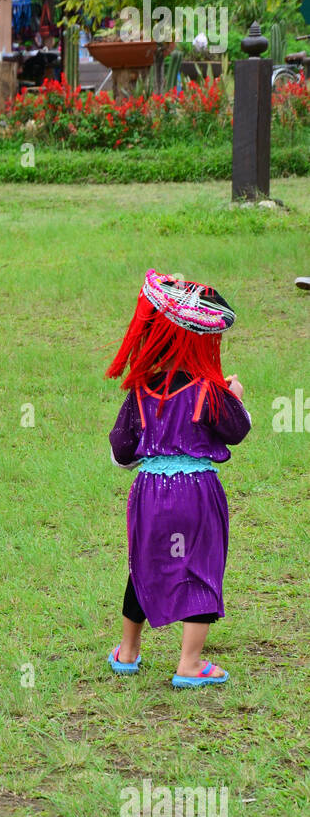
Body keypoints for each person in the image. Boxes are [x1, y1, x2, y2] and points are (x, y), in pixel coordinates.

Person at [106, 271, 251, 688]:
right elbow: (235, 432)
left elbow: (121, 449)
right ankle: (189, 664)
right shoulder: (209, 391)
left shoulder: (140, 391)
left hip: (150, 494)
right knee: (200, 567)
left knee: (144, 565)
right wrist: (235, 397)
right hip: (197, 494)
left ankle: (128, 652)